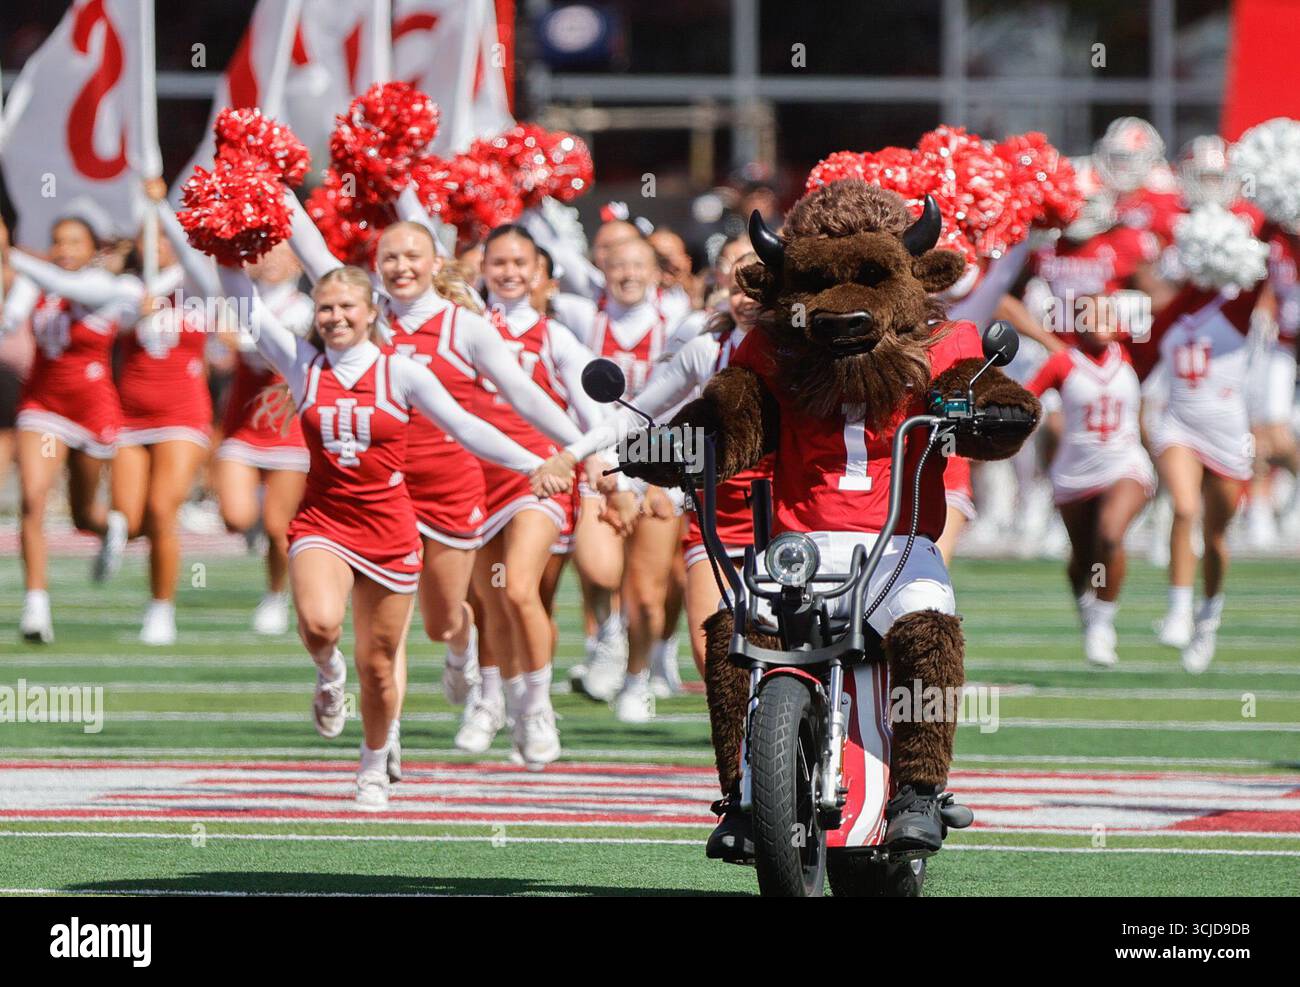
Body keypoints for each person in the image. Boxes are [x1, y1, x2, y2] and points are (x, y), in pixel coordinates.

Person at [217, 262, 565, 808]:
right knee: (319, 624)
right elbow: (244, 308)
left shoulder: (400, 371)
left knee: (379, 663)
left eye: (346, 307)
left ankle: (374, 765)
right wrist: (225, 249)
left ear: (371, 311)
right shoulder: (302, 365)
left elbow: (465, 426)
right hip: (324, 522)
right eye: (325, 307)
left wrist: (533, 463)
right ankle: (328, 677)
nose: (334, 317)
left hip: (388, 525)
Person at [458, 224, 609, 762]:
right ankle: (492, 698)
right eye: (498, 262)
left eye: (520, 262)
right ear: (482, 269)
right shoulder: (465, 326)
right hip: (473, 477)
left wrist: (594, 456)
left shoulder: (554, 335)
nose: (509, 272)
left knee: (521, 590)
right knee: (485, 601)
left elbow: (593, 411)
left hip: (539, 476)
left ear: (540, 272)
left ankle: (538, 706)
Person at [0, 215, 142, 642]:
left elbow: (71, 289)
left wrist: (14, 256)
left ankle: (109, 527)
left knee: (83, 514)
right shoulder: (35, 281)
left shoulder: (109, 288)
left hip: (92, 409)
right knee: (33, 499)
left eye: (74, 243)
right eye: (58, 242)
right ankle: (36, 604)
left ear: (93, 249)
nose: (64, 251)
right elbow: (11, 318)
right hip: (42, 404)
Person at [108, 186, 217, 644]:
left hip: (184, 414)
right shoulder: (127, 289)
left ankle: (161, 607)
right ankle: (111, 536)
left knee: (160, 509)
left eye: (164, 238)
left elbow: (201, 275)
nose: (156, 246)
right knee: (129, 517)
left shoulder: (197, 287)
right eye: (148, 239)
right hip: (131, 415)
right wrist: (135, 312)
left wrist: (159, 207)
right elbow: (109, 317)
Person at [1027, 302, 1155, 666]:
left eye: (1105, 315)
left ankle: (1103, 623)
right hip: (1075, 472)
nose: (1098, 323)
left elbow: (1175, 316)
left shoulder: (1134, 352)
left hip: (1125, 465)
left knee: (1110, 536)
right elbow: (1025, 398)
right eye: (1089, 316)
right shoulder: (1063, 362)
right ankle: (1086, 603)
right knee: (1083, 559)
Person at [213, 241, 313, 635]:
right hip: (243, 423)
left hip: (287, 428)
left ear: (297, 260)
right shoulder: (241, 301)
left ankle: (275, 595)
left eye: (280, 253)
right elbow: (218, 353)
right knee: (235, 517)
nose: (269, 260)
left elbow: (273, 349)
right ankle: (255, 507)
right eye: (263, 252)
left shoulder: (304, 308)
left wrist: (235, 339)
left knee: (278, 528)